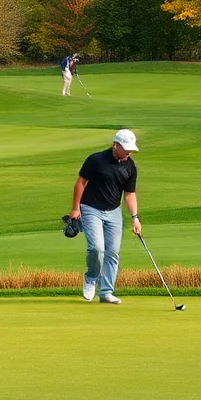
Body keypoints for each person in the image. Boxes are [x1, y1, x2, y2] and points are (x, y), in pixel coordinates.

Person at [67, 129, 141, 304]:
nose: (129, 153)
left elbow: (129, 194)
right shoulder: (96, 160)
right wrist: (75, 208)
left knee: (112, 253)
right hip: (90, 208)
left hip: (113, 212)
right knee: (97, 248)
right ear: (115, 145)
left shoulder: (130, 166)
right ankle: (91, 278)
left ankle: (106, 292)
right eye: (126, 149)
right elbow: (80, 183)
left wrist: (135, 217)